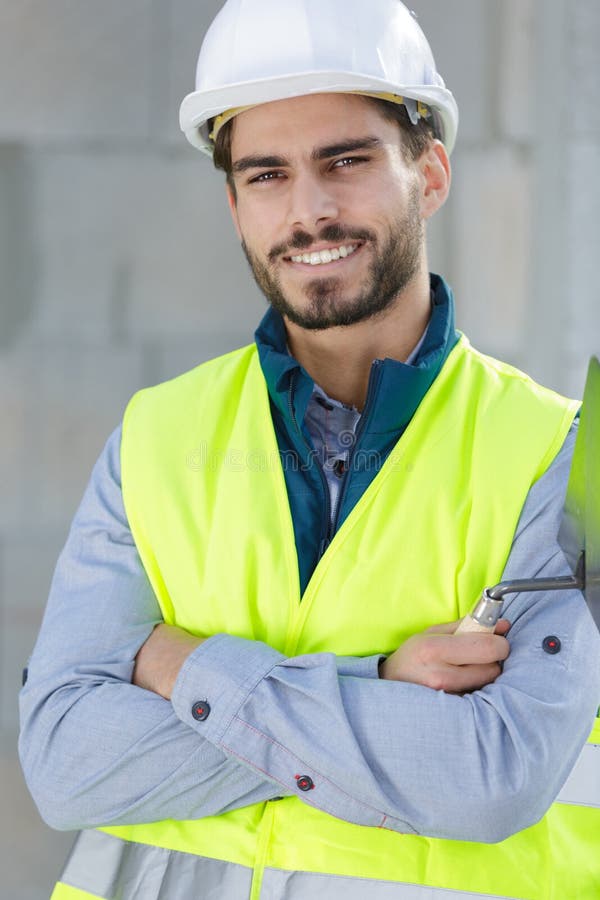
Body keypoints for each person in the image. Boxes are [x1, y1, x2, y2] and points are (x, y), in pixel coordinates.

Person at [19, 1, 600, 898]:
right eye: (266, 175)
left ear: (431, 172)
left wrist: (186, 668)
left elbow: (493, 776)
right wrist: (379, 682)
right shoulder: (157, 435)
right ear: (234, 203)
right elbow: (66, 764)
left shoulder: (557, 454)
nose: (309, 211)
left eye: (346, 161)